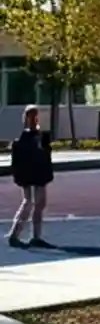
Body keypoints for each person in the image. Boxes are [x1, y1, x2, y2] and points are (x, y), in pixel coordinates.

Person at [7, 105, 54, 249]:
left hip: (38, 172)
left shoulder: (41, 136)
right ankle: (15, 234)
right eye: (31, 116)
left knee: (39, 203)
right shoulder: (24, 138)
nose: (34, 119)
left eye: (35, 116)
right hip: (30, 172)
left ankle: (35, 236)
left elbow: (46, 155)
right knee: (28, 202)